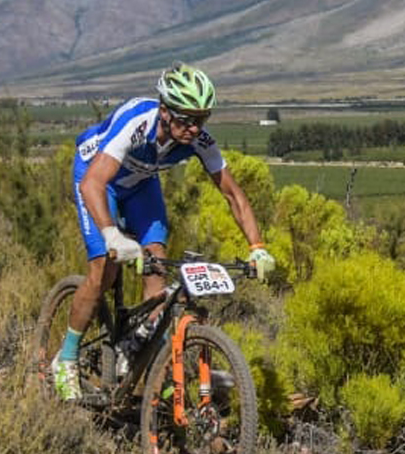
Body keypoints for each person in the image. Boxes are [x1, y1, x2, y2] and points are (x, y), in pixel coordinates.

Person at [51, 63, 276, 401]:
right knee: (104, 268)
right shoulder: (137, 121)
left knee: (156, 263)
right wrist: (112, 235)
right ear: (165, 111)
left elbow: (233, 195)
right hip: (97, 179)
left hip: (140, 183)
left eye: (201, 119)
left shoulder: (199, 139)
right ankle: (66, 358)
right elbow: (93, 183)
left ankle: (138, 353)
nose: (194, 128)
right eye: (186, 119)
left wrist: (257, 246)